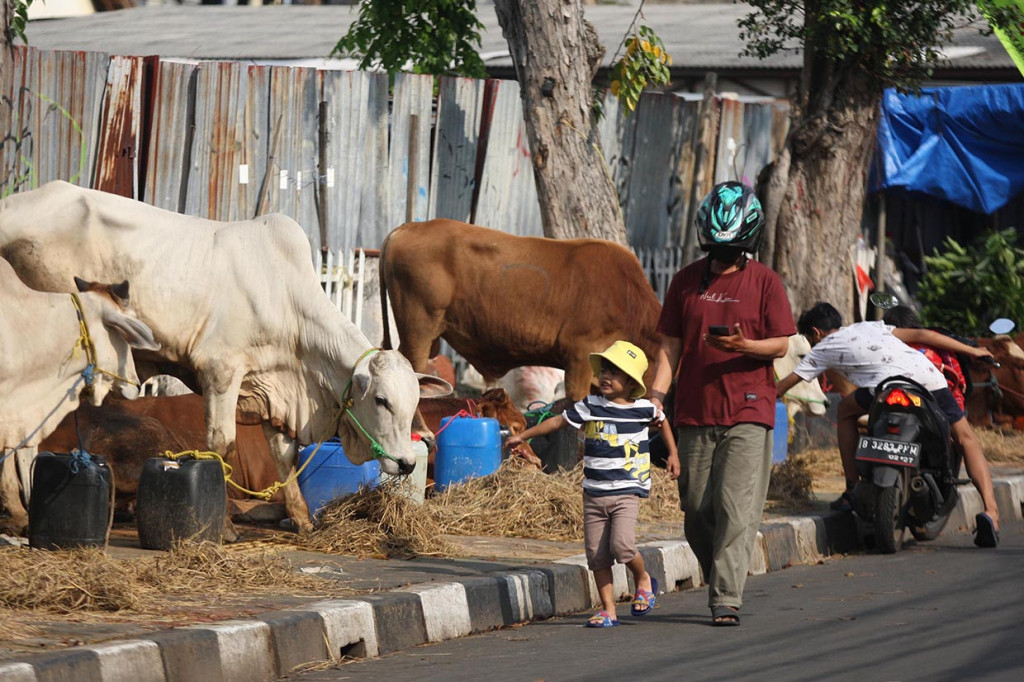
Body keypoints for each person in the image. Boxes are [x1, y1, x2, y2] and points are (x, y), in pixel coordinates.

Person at [649, 181, 795, 626]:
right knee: (696, 510)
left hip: (749, 409)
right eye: (716, 245)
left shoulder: (766, 281)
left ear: (748, 241)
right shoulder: (685, 281)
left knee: (736, 507)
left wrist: (744, 345)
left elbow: (782, 344)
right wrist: (656, 396)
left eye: (731, 246)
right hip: (693, 409)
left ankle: (726, 597)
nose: (723, 253)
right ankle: (721, 575)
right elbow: (669, 348)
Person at [776, 302, 1000, 548]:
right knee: (966, 439)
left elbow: (787, 383)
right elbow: (923, 335)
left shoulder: (820, 350)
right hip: (928, 382)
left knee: (845, 411)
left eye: (810, 339)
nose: (812, 344)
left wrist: (762, 397)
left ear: (816, 333)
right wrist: (973, 351)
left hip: (886, 389)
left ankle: (852, 487)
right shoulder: (871, 327)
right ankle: (991, 511)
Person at [506, 340, 680, 628]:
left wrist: (672, 454)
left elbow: (662, 421)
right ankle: (608, 610)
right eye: (604, 371)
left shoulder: (642, 409)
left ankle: (643, 578)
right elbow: (557, 423)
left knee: (623, 547)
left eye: (615, 372)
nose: (606, 377)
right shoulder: (590, 406)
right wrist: (524, 436)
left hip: (626, 493)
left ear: (630, 381)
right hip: (594, 494)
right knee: (597, 556)